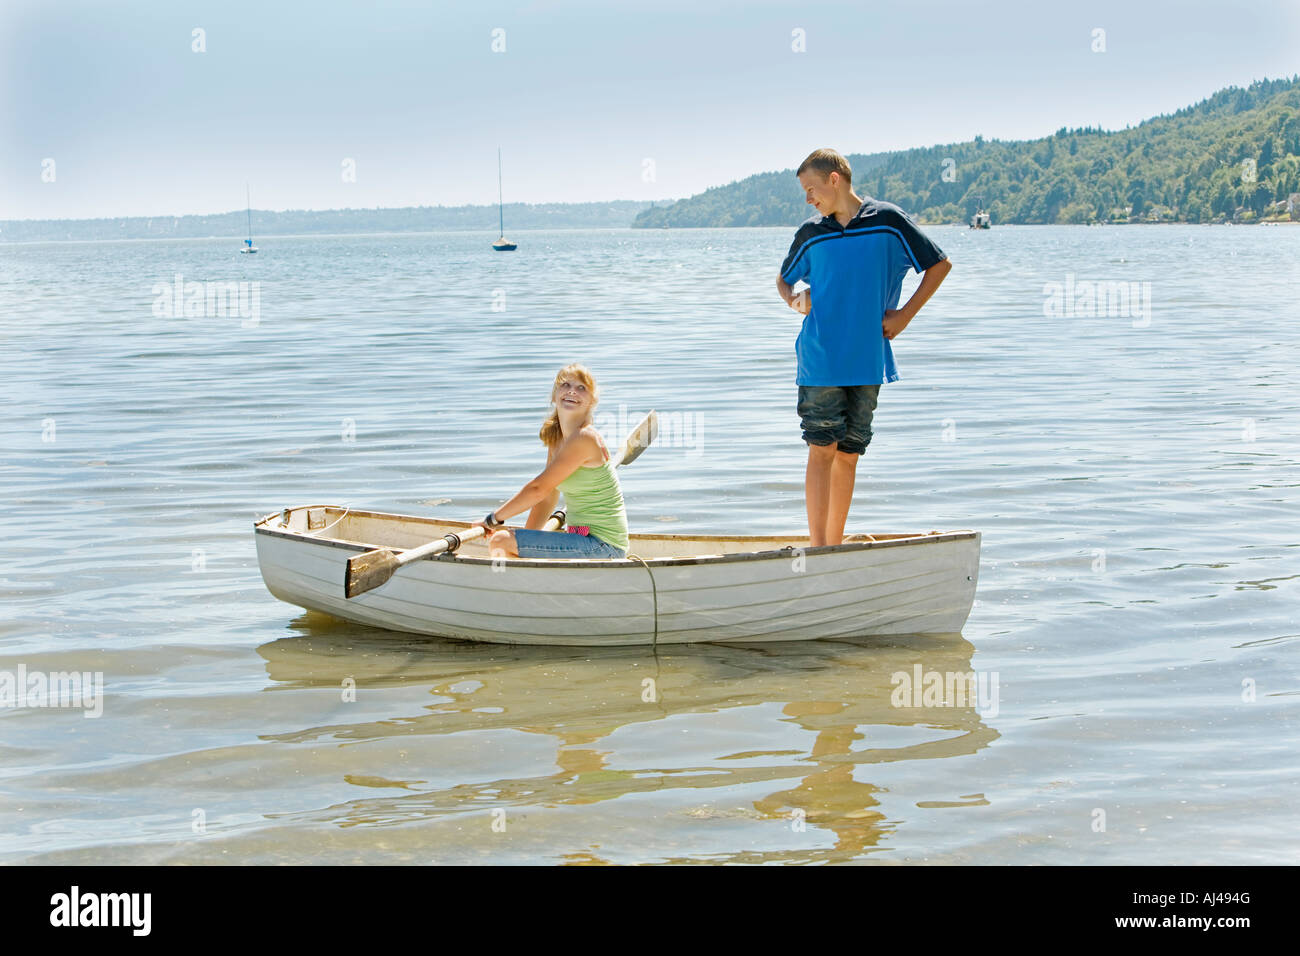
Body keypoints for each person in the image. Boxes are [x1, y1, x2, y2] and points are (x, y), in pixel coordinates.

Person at [775, 148, 953, 547]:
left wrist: (905, 315)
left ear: (834, 179)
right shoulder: (811, 233)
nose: (808, 199)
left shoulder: (888, 223)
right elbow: (784, 279)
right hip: (820, 357)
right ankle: (821, 549)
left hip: (868, 358)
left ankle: (833, 546)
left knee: (849, 453)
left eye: (811, 189)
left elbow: (938, 265)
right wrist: (793, 299)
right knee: (822, 447)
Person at [471, 364, 630, 559]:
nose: (572, 390)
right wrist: (526, 540)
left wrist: (492, 520)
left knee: (500, 540)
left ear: (592, 401)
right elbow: (547, 496)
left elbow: (537, 489)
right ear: (554, 395)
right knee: (512, 541)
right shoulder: (558, 439)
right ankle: (527, 580)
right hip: (579, 533)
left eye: (582, 388)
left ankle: (521, 586)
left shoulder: (585, 438)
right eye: (565, 385)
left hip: (603, 545)